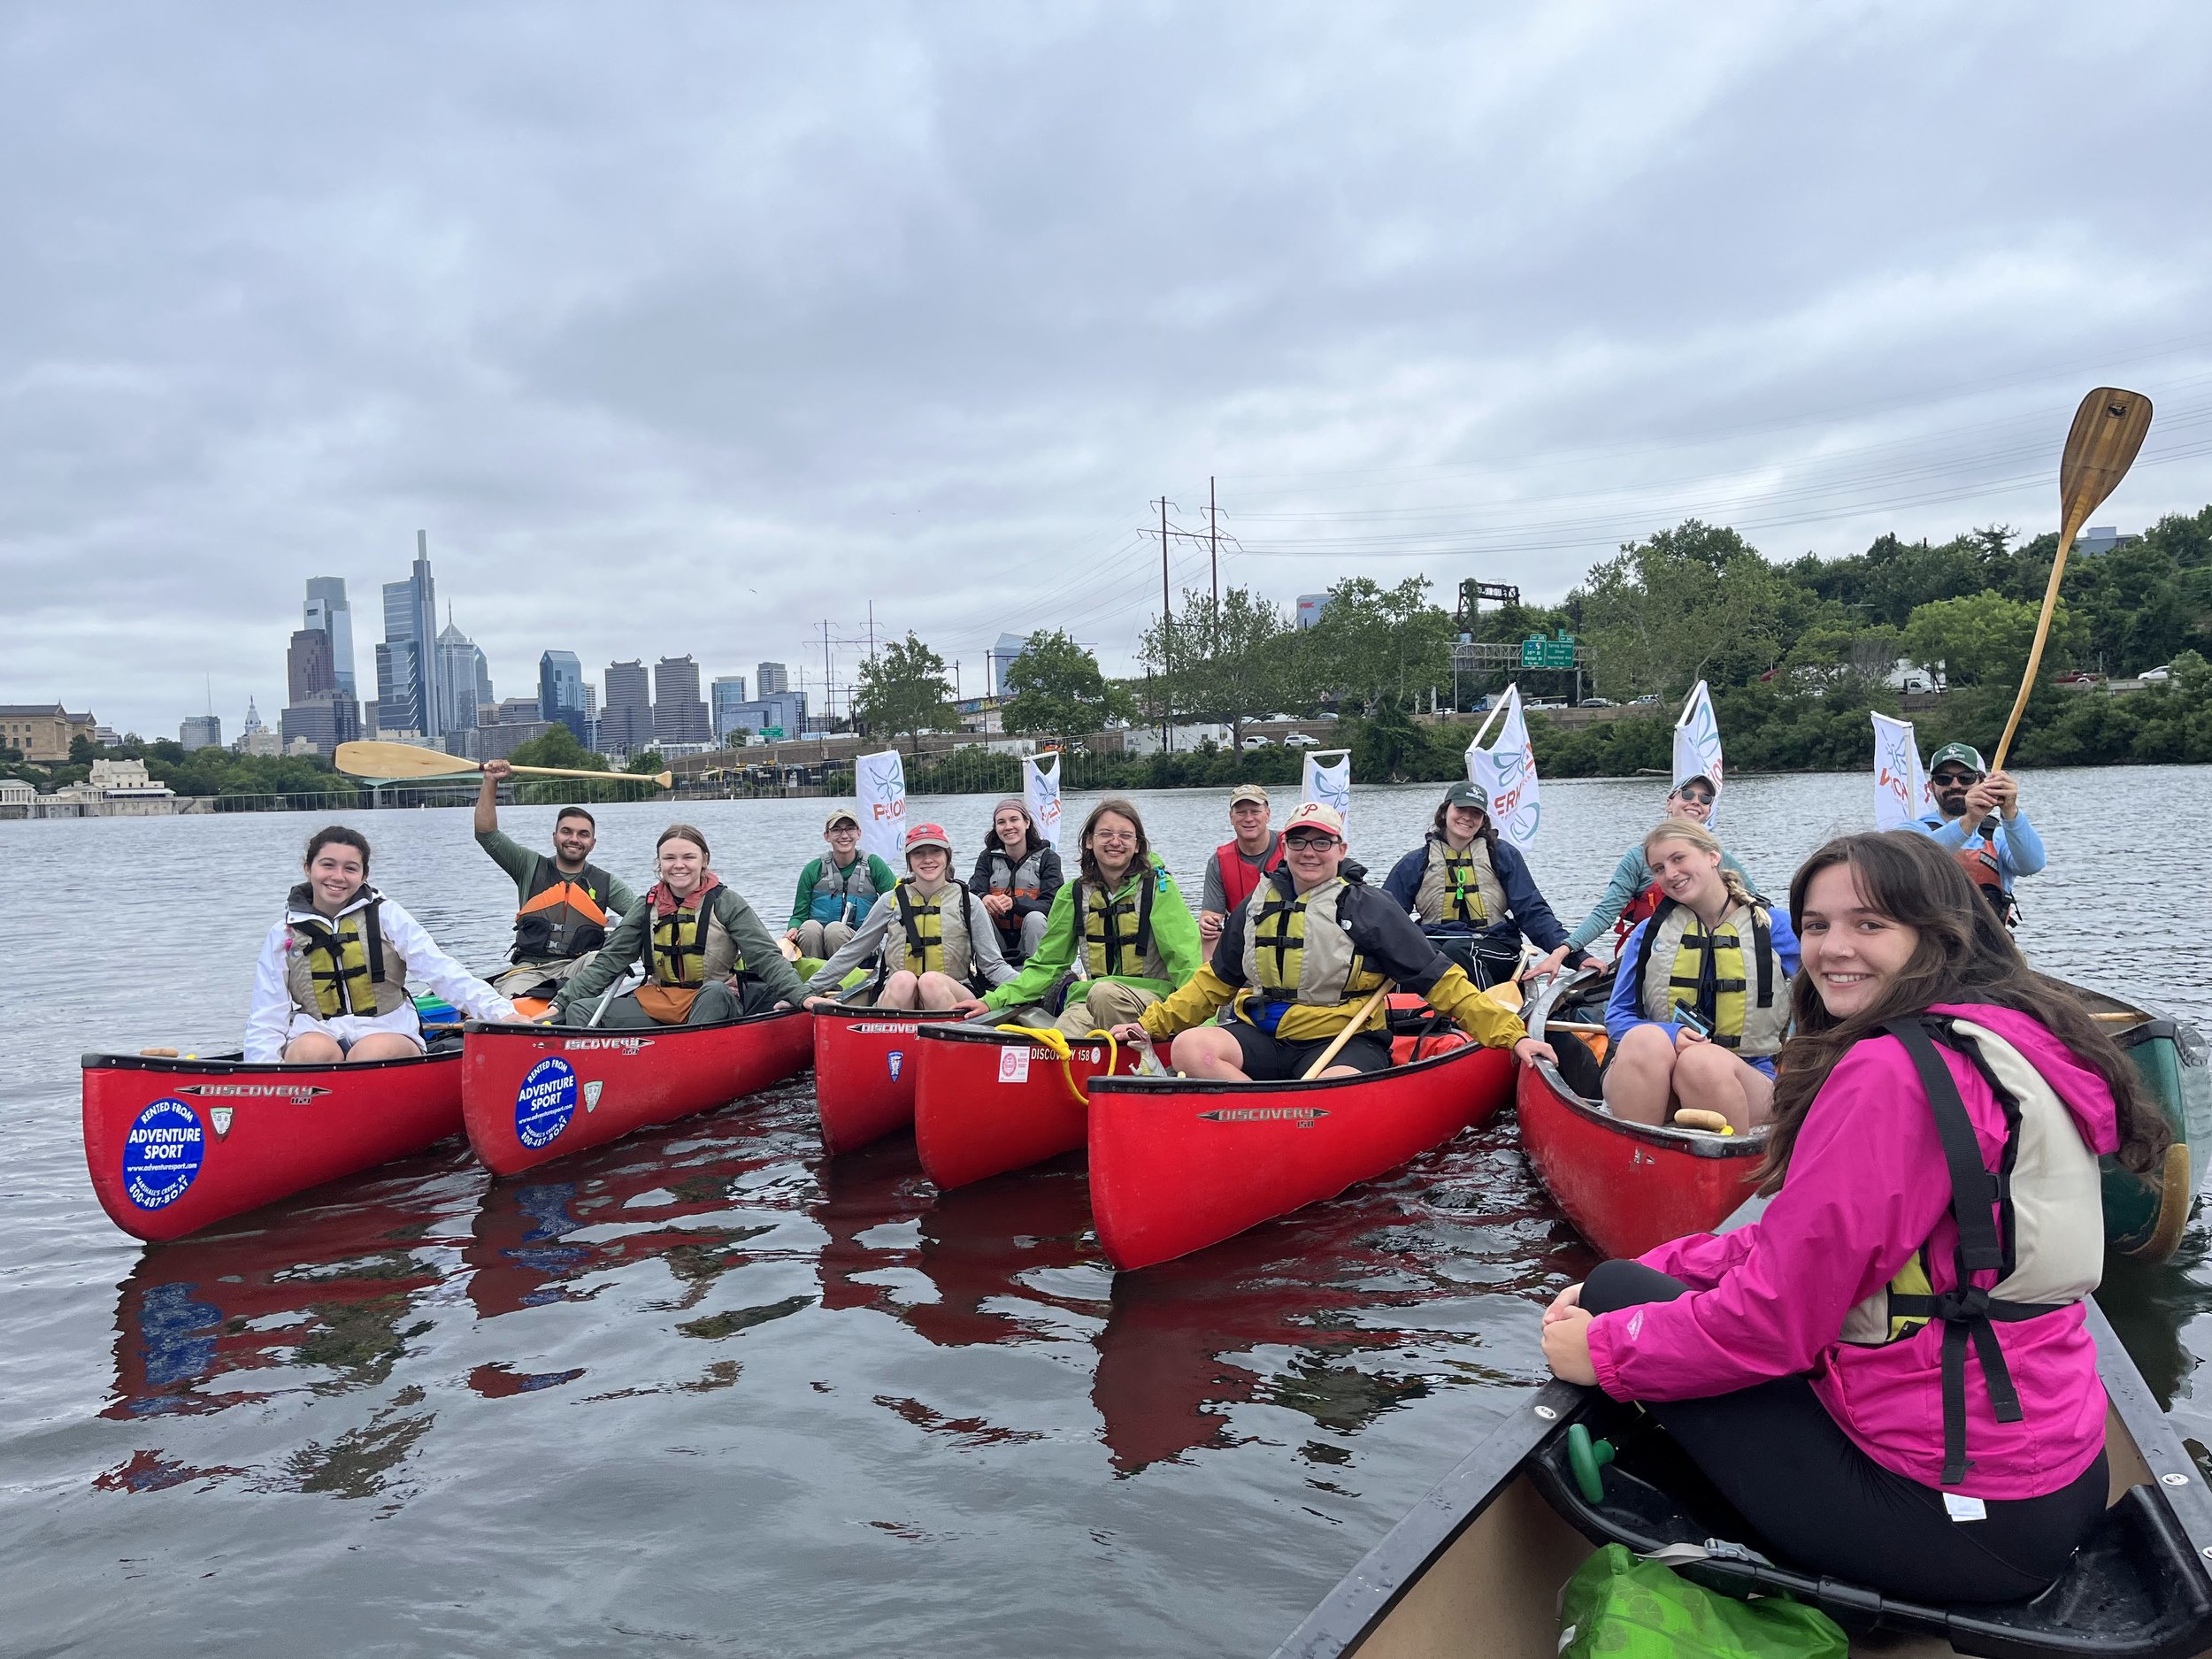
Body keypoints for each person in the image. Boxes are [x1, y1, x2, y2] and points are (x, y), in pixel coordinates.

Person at [1541, 829, 2168, 1605]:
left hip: (1959, 1520)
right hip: (2058, 1481)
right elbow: (1798, 1245)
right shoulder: (2010, 1034)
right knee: (1634, 1282)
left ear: (1936, 932)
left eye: (1869, 924)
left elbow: (1774, 1320)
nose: (1834, 948)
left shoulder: (1891, 1071)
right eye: (1816, 925)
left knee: (1614, 1296)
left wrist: (1606, 1348)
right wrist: (1670, 1268)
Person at [1110, 802, 1555, 1080]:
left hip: (1344, 1040)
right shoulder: (1253, 907)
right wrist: (1148, 1027)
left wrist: (1512, 1037)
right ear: (1283, 847)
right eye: (1299, 841)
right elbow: (1212, 986)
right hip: (1267, 1038)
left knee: (1331, 1085)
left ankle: (1277, 1121)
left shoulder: (1370, 908)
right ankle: (1253, 1119)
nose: (1310, 851)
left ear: (1341, 850)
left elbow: (1443, 984)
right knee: (1191, 1048)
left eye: (1322, 842)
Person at [247, 826, 518, 1063]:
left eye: (350, 868)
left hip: (389, 1030)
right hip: (316, 1032)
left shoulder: (387, 915)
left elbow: (441, 972)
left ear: (364, 875)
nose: (338, 876)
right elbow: (267, 1013)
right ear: (308, 868)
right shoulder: (282, 933)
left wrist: (502, 1013)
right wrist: (258, 1077)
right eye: (327, 865)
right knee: (310, 1053)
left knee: (368, 1054)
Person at [1603, 820, 1798, 1134]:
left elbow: (1826, 996)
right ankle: (1639, 1163)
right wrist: (1670, 1034)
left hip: (1746, 1079)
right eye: (1658, 868)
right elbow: (1617, 1017)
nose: (1670, 874)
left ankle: (1729, 1169)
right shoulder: (1648, 934)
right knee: (1645, 1039)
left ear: (1713, 856)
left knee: (1701, 1063)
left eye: (1678, 859)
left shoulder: (1774, 927)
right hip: (1657, 1084)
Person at [951, 796, 1202, 1036]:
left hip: (1151, 1000)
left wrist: (1203, 1022)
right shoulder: (1073, 894)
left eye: (1125, 836)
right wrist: (993, 1001)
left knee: (1105, 994)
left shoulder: (1160, 890)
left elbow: (1185, 962)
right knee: (1060, 1040)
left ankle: (1124, 1069)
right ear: (1090, 841)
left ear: (1137, 845)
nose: (1115, 842)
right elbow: (1046, 966)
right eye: (1106, 834)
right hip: (1088, 999)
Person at [554, 824, 804, 1027]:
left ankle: (689, 1064)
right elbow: (609, 962)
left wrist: (801, 996)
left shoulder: (726, 902)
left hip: (713, 1000)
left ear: (704, 859)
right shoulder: (645, 906)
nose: (679, 865)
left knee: (715, 992)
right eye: (670, 858)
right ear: (659, 863)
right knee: (580, 1010)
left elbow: (766, 957)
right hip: (660, 999)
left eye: (688, 857)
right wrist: (560, 1004)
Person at [1380, 780, 1585, 987]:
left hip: (1495, 946)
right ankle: (1410, 1014)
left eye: (1476, 813)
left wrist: (1577, 958)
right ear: (1444, 812)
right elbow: (1384, 919)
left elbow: (1533, 912)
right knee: (1411, 955)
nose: (1467, 817)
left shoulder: (1503, 856)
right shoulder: (1415, 862)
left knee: (1457, 951)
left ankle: (1487, 1015)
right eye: (1461, 809)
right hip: (1435, 946)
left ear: (1483, 821)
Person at [472, 758, 639, 1003]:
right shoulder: (528, 865)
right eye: (566, 832)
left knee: (602, 958)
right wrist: (490, 781)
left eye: (583, 834)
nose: (574, 839)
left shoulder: (606, 882)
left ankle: (571, 1004)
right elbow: (486, 834)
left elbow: (645, 915)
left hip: (579, 968)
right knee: (512, 1005)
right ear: (554, 837)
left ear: (592, 843)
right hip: (531, 970)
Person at [1547, 774, 1758, 965]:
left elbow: (1756, 904)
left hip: (1714, 953)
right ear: (1669, 803)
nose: (1696, 801)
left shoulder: (1721, 857)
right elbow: (1605, 913)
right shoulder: (1637, 859)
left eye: (1705, 799)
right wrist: (1564, 950)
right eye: (1687, 794)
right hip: (1656, 954)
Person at [808, 823, 1020, 1010]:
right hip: (899, 993)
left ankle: (947, 1045)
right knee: (902, 980)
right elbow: (852, 952)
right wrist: (806, 991)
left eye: (935, 851)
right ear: (910, 861)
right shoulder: (890, 901)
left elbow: (992, 965)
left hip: (952, 992)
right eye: (919, 853)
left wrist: (1029, 987)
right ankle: (889, 1045)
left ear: (947, 857)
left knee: (930, 982)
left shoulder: (969, 902)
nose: (928, 859)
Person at [1909, 741, 2045, 926]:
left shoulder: (1998, 834)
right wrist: (1970, 820)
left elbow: (2032, 865)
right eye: (1944, 779)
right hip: (1931, 947)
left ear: (1983, 782)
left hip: (1990, 948)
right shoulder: (1911, 832)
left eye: (1965, 778)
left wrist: (2010, 811)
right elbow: (1916, 860)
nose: (1955, 785)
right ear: (1931, 787)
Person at [783, 809, 898, 961]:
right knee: (810, 927)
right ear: (827, 836)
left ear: (859, 833)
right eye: (836, 830)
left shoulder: (874, 865)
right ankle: (814, 979)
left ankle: (843, 981)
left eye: (850, 828)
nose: (844, 835)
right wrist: (793, 928)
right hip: (817, 944)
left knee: (834, 931)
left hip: (860, 944)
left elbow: (897, 904)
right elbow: (799, 915)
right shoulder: (813, 869)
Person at [967, 796, 1063, 964]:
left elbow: (1053, 905)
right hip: (997, 941)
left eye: (1014, 820)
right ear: (996, 828)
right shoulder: (986, 858)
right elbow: (972, 893)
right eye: (1001, 822)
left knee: (1035, 918)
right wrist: (983, 897)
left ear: (1026, 823)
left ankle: (1039, 975)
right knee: (978, 912)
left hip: (1032, 936)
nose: (1008, 827)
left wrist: (1014, 903)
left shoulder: (1048, 858)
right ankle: (987, 973)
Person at [1196, 783, 1283, 949]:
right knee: (1208, 931)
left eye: (1255, 811)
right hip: (1242, 946)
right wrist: (1207, 924)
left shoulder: (1291, 848)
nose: (1248, 818)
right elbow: (1210, 916)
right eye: (1241, 812)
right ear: (1231, 817)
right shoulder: (1218, 862)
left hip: (1287, 944)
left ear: (1268, 814)